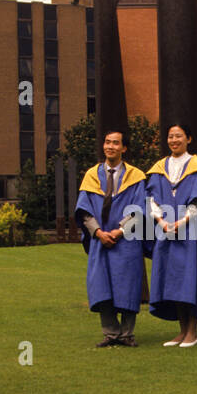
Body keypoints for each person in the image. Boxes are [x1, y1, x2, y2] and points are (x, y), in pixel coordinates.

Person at [75, 130, 147, 347]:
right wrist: (97, 232)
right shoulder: (91, 176)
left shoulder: (136, 176)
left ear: (124, 148)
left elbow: (140, 209)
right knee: (101, 284)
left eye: (116, 143)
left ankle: (126, 333)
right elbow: (84, 210)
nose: (110, 147)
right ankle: (111, 333)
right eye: (107, 142)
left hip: (126, 241)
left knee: (128, 284)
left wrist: (119, 231)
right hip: (100, 240)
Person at [146, 124, 197, 347]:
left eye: (178, 136)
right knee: (172, 280)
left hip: (190, 232)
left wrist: (183, 221)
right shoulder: (158, 168)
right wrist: (161, 221)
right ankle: (182, 331)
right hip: (165, 231)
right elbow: (151, 199)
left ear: (188, 139)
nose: (174, 140)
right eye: (170, 136)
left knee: (189, 279)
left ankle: (193, 331)